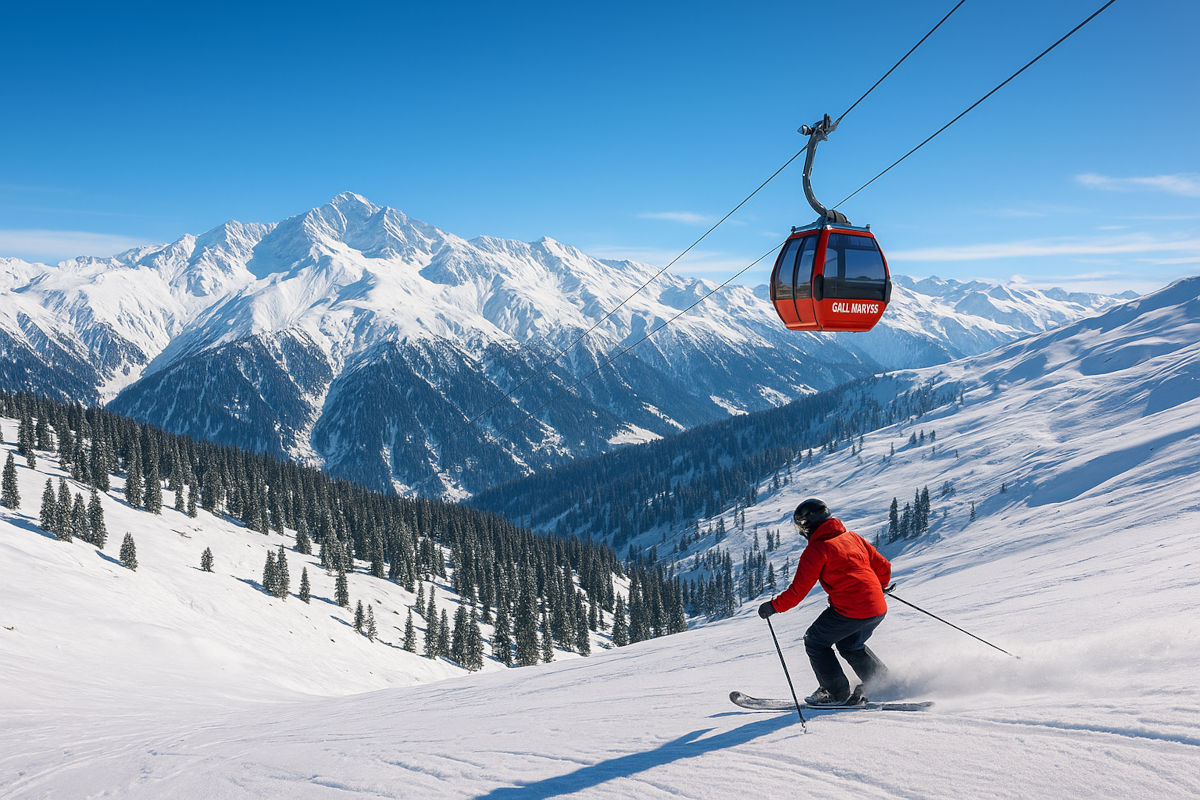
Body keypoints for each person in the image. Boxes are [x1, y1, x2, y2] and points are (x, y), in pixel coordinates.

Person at [758, 498, 891, 706]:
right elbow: (883, 567)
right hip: (877, 608)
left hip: (851, 610)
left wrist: (773, 606)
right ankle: (882, 683)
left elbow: (797, 592)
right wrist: (879, 589)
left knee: (815, 641)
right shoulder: (852, 537)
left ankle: (834, 692)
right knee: (850, 644)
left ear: (806, 525)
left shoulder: (817, 550)